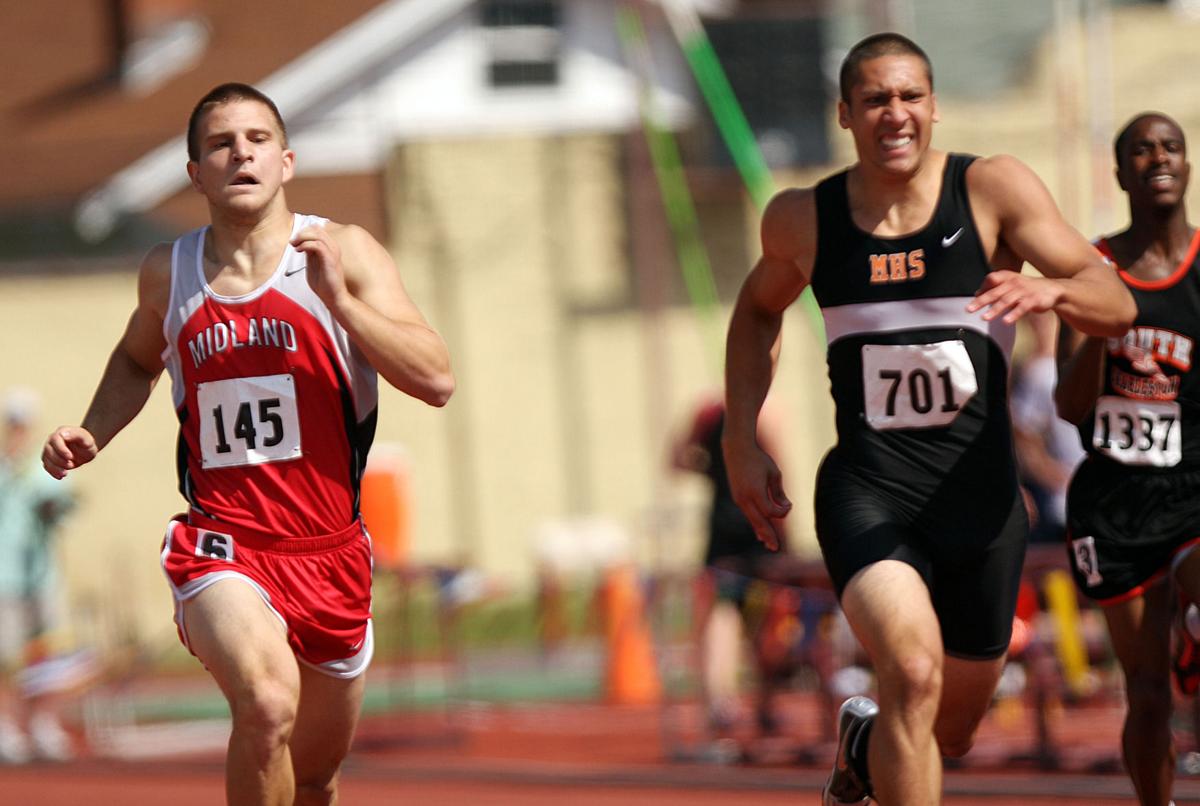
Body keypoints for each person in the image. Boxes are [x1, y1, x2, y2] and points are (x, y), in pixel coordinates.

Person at [721, 33, 1136, 805]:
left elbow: (1115, 301)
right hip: (869, 494)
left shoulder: (991, 192)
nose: (896, 114)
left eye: (910, 96)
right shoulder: (804, 220)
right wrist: (739, 437)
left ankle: (863, 744)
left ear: (936, 106)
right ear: (845, 113)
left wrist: (1054, 292)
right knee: (911, 670)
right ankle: (885, 737)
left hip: (980, 505)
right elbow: (754, 313)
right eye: (876, 99)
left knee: (949, 730)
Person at [41, 83, 454, 805]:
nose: (241, 154)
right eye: (221, 144)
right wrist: (92, 432)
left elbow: (436, 379)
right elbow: (139, 358)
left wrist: (343, 304)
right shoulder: (170, 273)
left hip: (331, 556)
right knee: (266, 705)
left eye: (257, 140)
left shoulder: (344, 251)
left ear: (286, 161)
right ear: (196, 172)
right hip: (224, 548)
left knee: (315, 778)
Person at [1057, 111, 1200, 806]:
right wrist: (1099, 323)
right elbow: (1068, 404)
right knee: (1146, 694)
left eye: (1171, 146)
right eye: (1141, 150)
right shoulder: (1090, 266)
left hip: (1194, 488)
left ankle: (1194, 632)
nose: (1158, 158)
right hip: (1115, 502)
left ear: (1188, 164)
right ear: (1121, 173)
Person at [670, 395, 788, 741]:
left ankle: (723, 705)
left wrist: (711, 469)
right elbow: (779, 469)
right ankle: (761, 706)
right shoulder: (764, 411)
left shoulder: (707, 414)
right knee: (761, 616)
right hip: (758, 525)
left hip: (725, 527)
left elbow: (677, 461)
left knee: (727, 614)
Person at [0, 388, 79, 763]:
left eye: (23, 425)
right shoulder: (4, 468)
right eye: (13, 424)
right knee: (8, 656)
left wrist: (55, 507)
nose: (18, 431)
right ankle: (6, 725)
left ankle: (43, 723)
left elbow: (62, 507)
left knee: (46, 652)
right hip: (5, 578)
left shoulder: (42, 468)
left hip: (42, 577)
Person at [1011, 311, 1086, 544]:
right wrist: (1053, 475)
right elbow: (1023, 437)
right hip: (1063, 502)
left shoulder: (1045, 369)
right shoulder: (1040, 371)